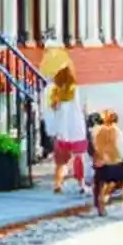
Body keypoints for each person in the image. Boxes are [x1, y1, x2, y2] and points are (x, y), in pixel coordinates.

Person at [48, 64, 88, 194]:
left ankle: (57, 184)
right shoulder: (75, 89)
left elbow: (53, 107)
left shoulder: (55, 91)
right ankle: (81, 184)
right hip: (76, 128)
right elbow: (82, 107)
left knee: (61, 161)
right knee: (78, 158)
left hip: (62, 129)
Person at [91, 109, 123, 219]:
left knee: (99, 182)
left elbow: (93, 147)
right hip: (115, 162)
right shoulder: (116, 131)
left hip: (101, 163)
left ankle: (100, 205)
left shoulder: (95, 131)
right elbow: (121, 150)